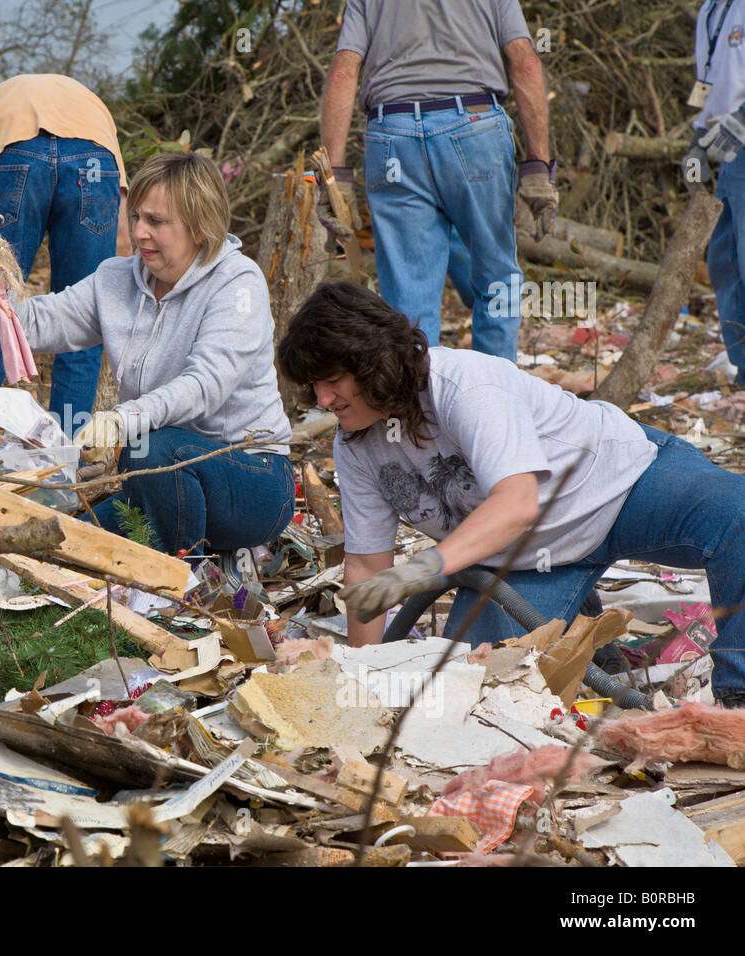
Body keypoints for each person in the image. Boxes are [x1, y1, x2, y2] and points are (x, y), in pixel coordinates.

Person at [276, 281, 745, 707]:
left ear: (370, 364)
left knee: (737, 515)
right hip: (525, 561)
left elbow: (517, 502)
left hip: (624, 487)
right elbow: (365, 567)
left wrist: (424, 567)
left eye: (332, 381)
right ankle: (592, 640)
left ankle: (737, 698)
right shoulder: (355, 443)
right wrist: (364, 679)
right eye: (314, 386)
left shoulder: (462, 385)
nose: (322, 400)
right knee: (472, 691)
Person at [0, 151, 294, 560]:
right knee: (65, 544)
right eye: (136, 217)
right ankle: (166, 563)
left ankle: (182, 580)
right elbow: (37, 325)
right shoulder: (116, 279)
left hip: (251, 478)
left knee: (147, 447)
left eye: (156, 221)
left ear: (200, 226)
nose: (139, 232)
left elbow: (206, 384)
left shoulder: (238, 283)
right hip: (157, 479)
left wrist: (122, 419)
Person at [321, 0, 556, 361]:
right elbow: (525, 63)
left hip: (393, 138)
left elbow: (342, 73)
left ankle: (419, 411)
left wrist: (334, 177)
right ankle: (493, 404)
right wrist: (538, 165)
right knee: (496, 282)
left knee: (407, 302)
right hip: (475, 129)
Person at [0, 74, 133, 476]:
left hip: (14, 155)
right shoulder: (91, 108)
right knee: (85, 329)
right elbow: (125, 242)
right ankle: (62, 470)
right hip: (94, 161)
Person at [683, 1, 745, 385]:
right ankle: (742, 366)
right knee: (724, 260)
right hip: (727, 151)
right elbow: (707, 84)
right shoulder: (709, 11)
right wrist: (696, 141)